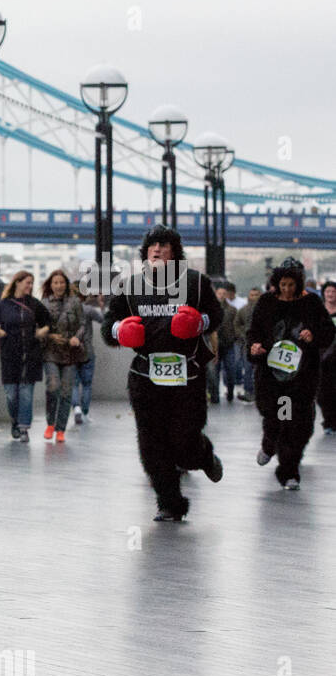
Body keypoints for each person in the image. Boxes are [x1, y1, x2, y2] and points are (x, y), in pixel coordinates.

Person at [102, 224, 223, 522]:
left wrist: (200, 323)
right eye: (151, 245)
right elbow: (107, 327)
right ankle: (169, 502)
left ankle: (203, 454)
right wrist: (120, 331)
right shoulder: (129, 287)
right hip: (146, 377)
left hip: (188, 376)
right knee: (152, 443)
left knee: (184, 440)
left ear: (174, 252)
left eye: (163, 245)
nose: (156, 249)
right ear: (145, 253)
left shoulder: (194, 283)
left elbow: (217, 315)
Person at [246, 258, 336, 489]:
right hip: (271, 375)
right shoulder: (266, 303)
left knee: (294, 424)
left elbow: (328, 332)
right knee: (275, 418)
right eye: (282, 285)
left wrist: (312, 335)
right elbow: (253, 332)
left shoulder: (312, 303)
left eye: (291, 285)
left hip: (300, 377)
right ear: (276, 284)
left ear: (299, 284)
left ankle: (288, 472)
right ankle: (269, 444)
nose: (287, 290)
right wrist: (255, 347)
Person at [0, 270, 49, 441]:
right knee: (11, 395)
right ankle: (15, 421)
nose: (30, 286)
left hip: (30, 355)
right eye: (27, 282)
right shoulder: (3, 305)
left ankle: (24, 428)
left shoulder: (34, 304)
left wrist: (42, 331)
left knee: (26, 393)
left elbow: (48, 322)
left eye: (32, 283)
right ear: (17, 283)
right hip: (9, 356)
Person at [39, 268, 85, 442]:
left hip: (70, 353)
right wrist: (50, 336)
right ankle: (50, 423)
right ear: (51, 285)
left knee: (66, 392)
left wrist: (76, 338)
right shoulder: (43, 304)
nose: (58, 286)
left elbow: (82, 324)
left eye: (61, 282)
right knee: (53, 387)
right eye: (55, 283)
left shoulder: (74, 302)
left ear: (66, 284)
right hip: (50, 352)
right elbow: (39, 327)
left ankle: (60, 429)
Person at [71, 288, 105, 424]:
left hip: (71, 351)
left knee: (73, 384)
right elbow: (103, 321)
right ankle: (85, 412)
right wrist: (101, 306)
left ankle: (77, 408)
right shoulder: (88, 310)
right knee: (87, 384)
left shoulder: (68, 310)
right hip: (87, 351)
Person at [206, 280, 240, 405]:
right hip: (214, 344)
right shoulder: (210, 309)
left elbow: (236, 325)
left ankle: (230, 391)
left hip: (228, 344)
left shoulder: (232, 310)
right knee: (213, 373)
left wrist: (234, 337)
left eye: (223, 293)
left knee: (231, 369)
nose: (221, 295)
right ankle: (214, 396)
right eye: (219, 293)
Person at [235, 287, 261, 402]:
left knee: (261, 369)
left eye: (256, 295)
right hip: (247, 344)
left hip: (262, 344)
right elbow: (236, 324)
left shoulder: (267, 310)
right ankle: (248, 392)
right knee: (248, 368)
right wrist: (243, 335)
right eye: (252, 295)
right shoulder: (243, 310)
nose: (254, 297)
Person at [318, 280, 336, 434]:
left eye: (333, 292)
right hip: (321, 356)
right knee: (323, 392)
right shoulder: (318, 311)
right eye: (328, 292)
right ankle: (328, 421)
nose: (330, 295)